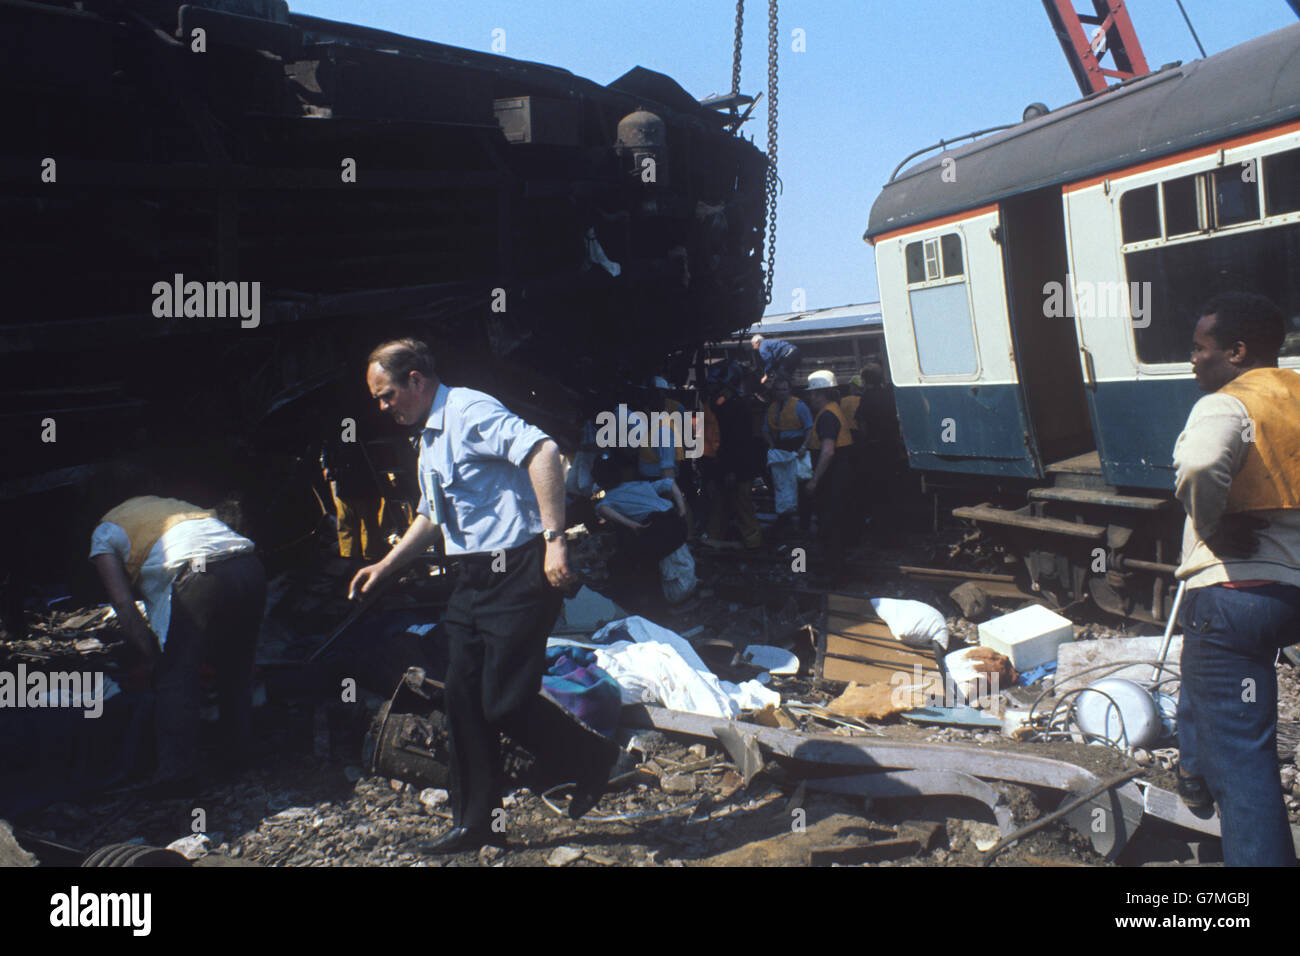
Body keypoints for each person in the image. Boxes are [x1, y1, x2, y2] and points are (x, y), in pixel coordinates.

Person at [348, 338, 613, 853]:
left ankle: (589, 757)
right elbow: (430, 516)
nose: (383, 407)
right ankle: (478, 823)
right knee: (463, 700)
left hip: (519, 569)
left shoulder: (470, 410)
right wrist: (384, 567)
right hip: (471, 578)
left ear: (416, 381)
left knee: (504, 702)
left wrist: (555, 543)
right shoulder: (429, 437)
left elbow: (544, 452)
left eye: (386, 395)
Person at [1173, 291, 1300, 866]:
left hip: (1232, 595)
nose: (1193, 359)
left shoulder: (1226, 404)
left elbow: (1200, 465)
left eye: (1202, 348)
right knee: (1201, 671)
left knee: (1248, 770)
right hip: (1289, 596)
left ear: (1237, 352)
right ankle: (1194, 769)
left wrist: (1212, 523)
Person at [89, 495, 264, 793]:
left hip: (199, 574)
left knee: (176, 676)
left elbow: (123, 604)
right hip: (250, 567)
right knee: (236, 666)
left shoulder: (103, 533)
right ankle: (238, 757)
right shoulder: (174, 506)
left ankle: (177, 777)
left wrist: (153, 656)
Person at [592, 455, 695, 605]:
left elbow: (603, 509)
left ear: (600, 483)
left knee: (632, 560)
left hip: (658, 529)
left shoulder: (608, 500)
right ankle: (662, 594)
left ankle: (654, 602)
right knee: (654, 556)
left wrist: (631, 525)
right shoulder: (640, 484)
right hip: (676, 523)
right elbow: (670, 483)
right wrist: (681, 508)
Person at [702, 363, 763, 549]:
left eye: (716, 385)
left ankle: (753, 543)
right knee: (719, 504)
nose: (713, 390)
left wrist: (732, 471)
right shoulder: (720, 406)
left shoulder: (737, 408)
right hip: (724, 467)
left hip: (738, 469)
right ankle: (715, 539)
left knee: (743, 504)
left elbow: (738, 444)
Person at [802, 369, 855, 580]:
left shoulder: (826, 416)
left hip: (832, 481)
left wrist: (814, 480)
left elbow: (828, 450)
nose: (810, 398)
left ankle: (833, 575)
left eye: (811, 394)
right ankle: (835, 570)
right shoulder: (834, 410)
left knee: (830, 526)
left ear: (818, 394)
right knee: (835, 526)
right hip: (839, 478)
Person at [320, 432, 385, 562]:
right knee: (357, 522)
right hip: (353, 480)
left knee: (361, 523)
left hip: (356, 480)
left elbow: (347, 447)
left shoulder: (346, 422)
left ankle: (362, 559)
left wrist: (329, 465)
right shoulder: (346, 422)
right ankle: (359, 558)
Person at [761, 376, 812, 526]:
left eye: (785, 389)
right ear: (774, 391)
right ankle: (785, 519)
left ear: (789, 390)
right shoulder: (772, 408)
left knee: (801, 483)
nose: (781, 392)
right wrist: (770, 444)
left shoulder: (799, 405)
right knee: (781, 484)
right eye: (778, 389)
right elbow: (765, 430)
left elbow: (809, 428)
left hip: (797, 448)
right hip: (779, 448)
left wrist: (804, 446)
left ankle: (804, 522)